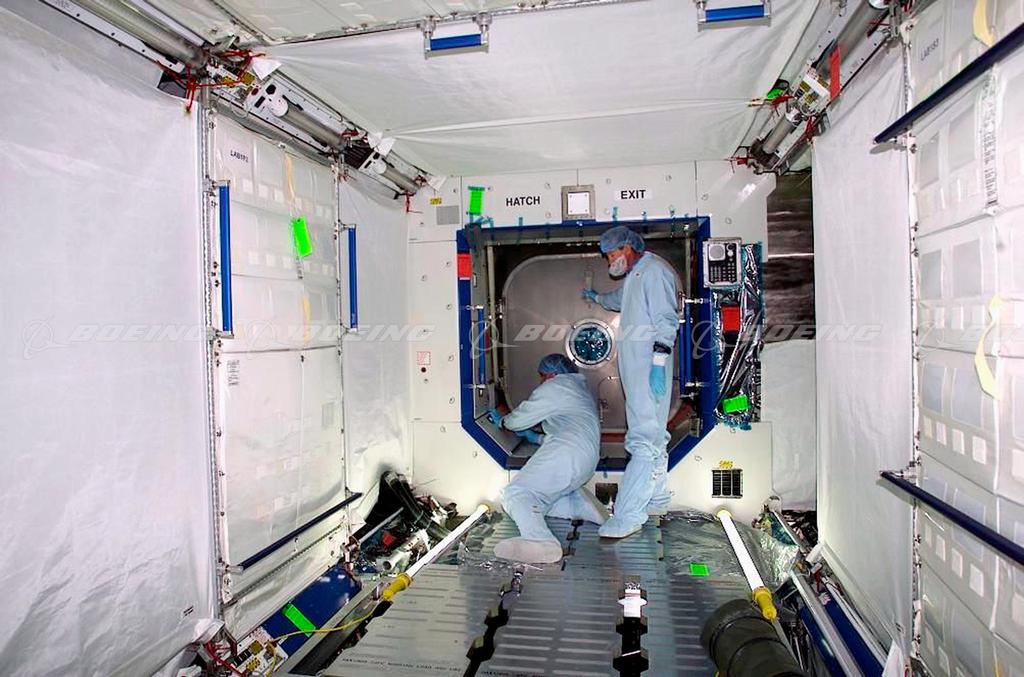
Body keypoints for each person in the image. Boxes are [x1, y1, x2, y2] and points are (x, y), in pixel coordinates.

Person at [582, 226, 678, 539]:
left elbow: (666, 320)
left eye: (612, 254)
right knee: (653, 437)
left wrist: (658, 364)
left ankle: (628, 515)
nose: (611, 261)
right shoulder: (636, 275)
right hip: (637, 370)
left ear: (628, 247)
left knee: (644, 439)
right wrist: (597, 297)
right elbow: (619, 299)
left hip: (649, 367)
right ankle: (656, 500)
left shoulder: (654, 272)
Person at [487, 353, 606, 563]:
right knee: (539, 499)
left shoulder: (556, 387)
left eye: (542, 376)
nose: (541, 381)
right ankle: (579, 506)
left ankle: (540, 541)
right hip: (586, 459)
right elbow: (568, 427)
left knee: (516, 493)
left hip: (567, 453)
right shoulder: (579, 389)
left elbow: (519, 420)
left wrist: (503, 422)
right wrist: (537, 438)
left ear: (551, 374)